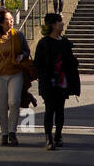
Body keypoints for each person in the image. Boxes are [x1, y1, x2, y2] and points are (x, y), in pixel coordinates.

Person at [0, 9, 35, 146]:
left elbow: (26, 50)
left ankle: (12, 132)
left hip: (15, 73)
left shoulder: (18, 35)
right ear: (0, 23)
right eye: (7, 21)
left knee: (14, 102)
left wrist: (22, 55)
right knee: (2, 104)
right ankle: (4, 133)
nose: (10, 22)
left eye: (11, 20)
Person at [33, 12, 79, 150]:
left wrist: (74, 64)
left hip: (62, 81)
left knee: (60, 110)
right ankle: (49, 138)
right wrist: (42, 76)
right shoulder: (44, 43)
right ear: (53, 25)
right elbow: (37, 63)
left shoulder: (65, 42)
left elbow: (71, 61)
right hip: (48, 82)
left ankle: (58, 135)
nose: (63, 24)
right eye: (60, 22)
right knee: (49, 110)